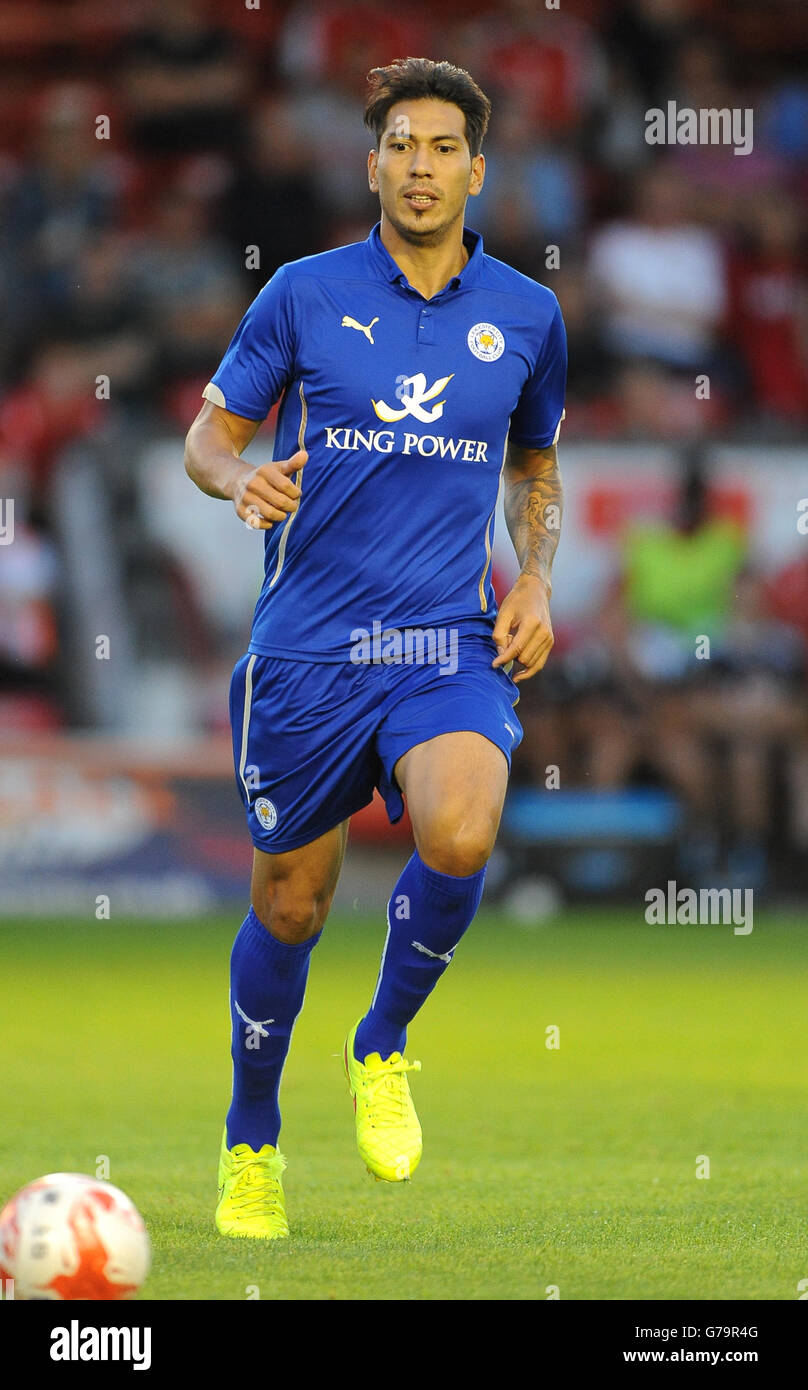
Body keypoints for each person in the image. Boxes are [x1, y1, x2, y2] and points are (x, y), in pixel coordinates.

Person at [184, 57, 567, 1239]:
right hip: (306, 653)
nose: (419, 166)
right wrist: (239, 480)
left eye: (442, 147)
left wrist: (538, 577)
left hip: (446, 642)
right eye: (400, 145)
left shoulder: (527, 314)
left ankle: (383, 1044)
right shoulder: (300, 292)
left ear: (474, 169)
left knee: (461, 825)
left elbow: (534, 471)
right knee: (292, 909)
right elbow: (208, 437)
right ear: (372, 165)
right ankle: (252, 1142)